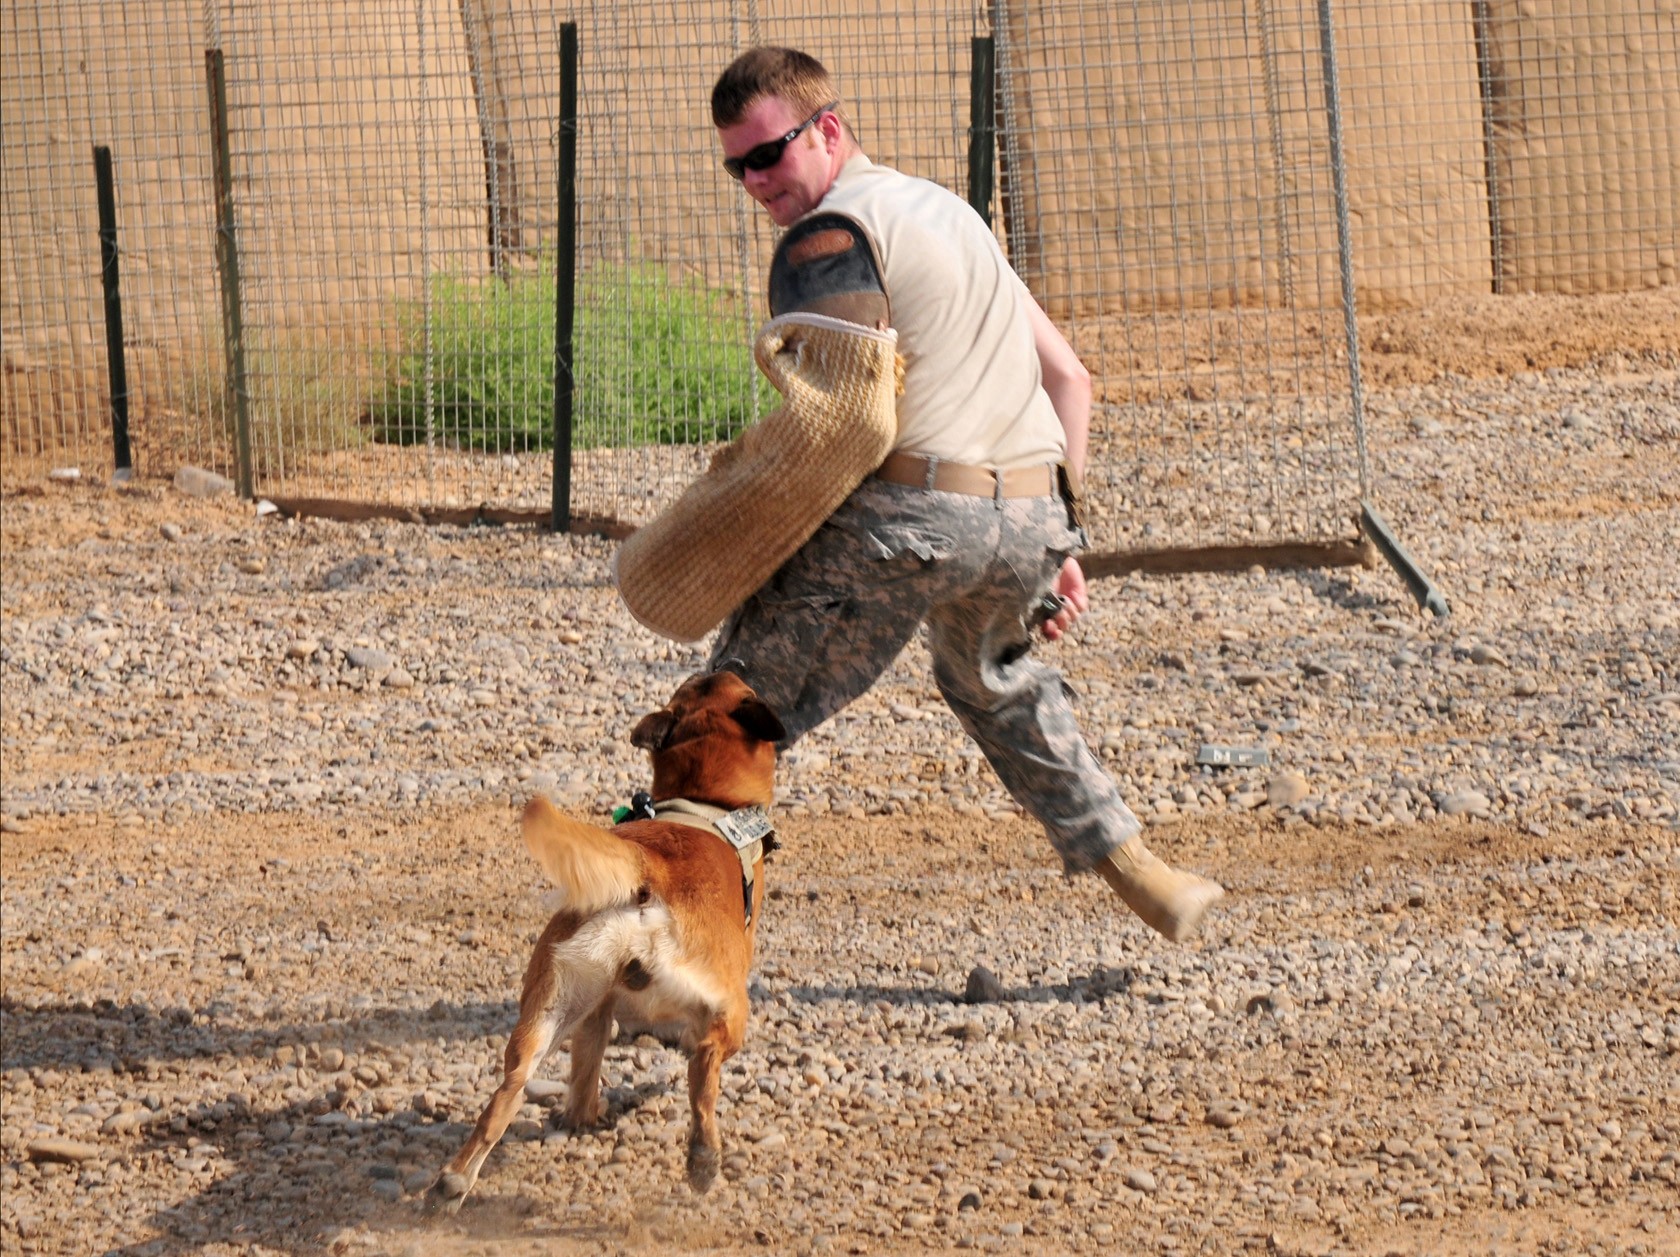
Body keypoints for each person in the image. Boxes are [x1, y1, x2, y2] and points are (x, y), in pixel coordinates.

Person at [705, 47, 1223, 941]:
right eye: (736, 166)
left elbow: (838, 429)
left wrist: (731, 528)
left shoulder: (827, 238)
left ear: (827, 130)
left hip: (914, 514)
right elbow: (1071, 379)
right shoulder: (955, 214)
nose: (756, 182)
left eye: (769, 154)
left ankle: (671, 942)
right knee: (998, 682)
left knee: (730, 709)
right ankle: (1146, 875)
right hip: (1027, 515)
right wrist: (1060, 546)